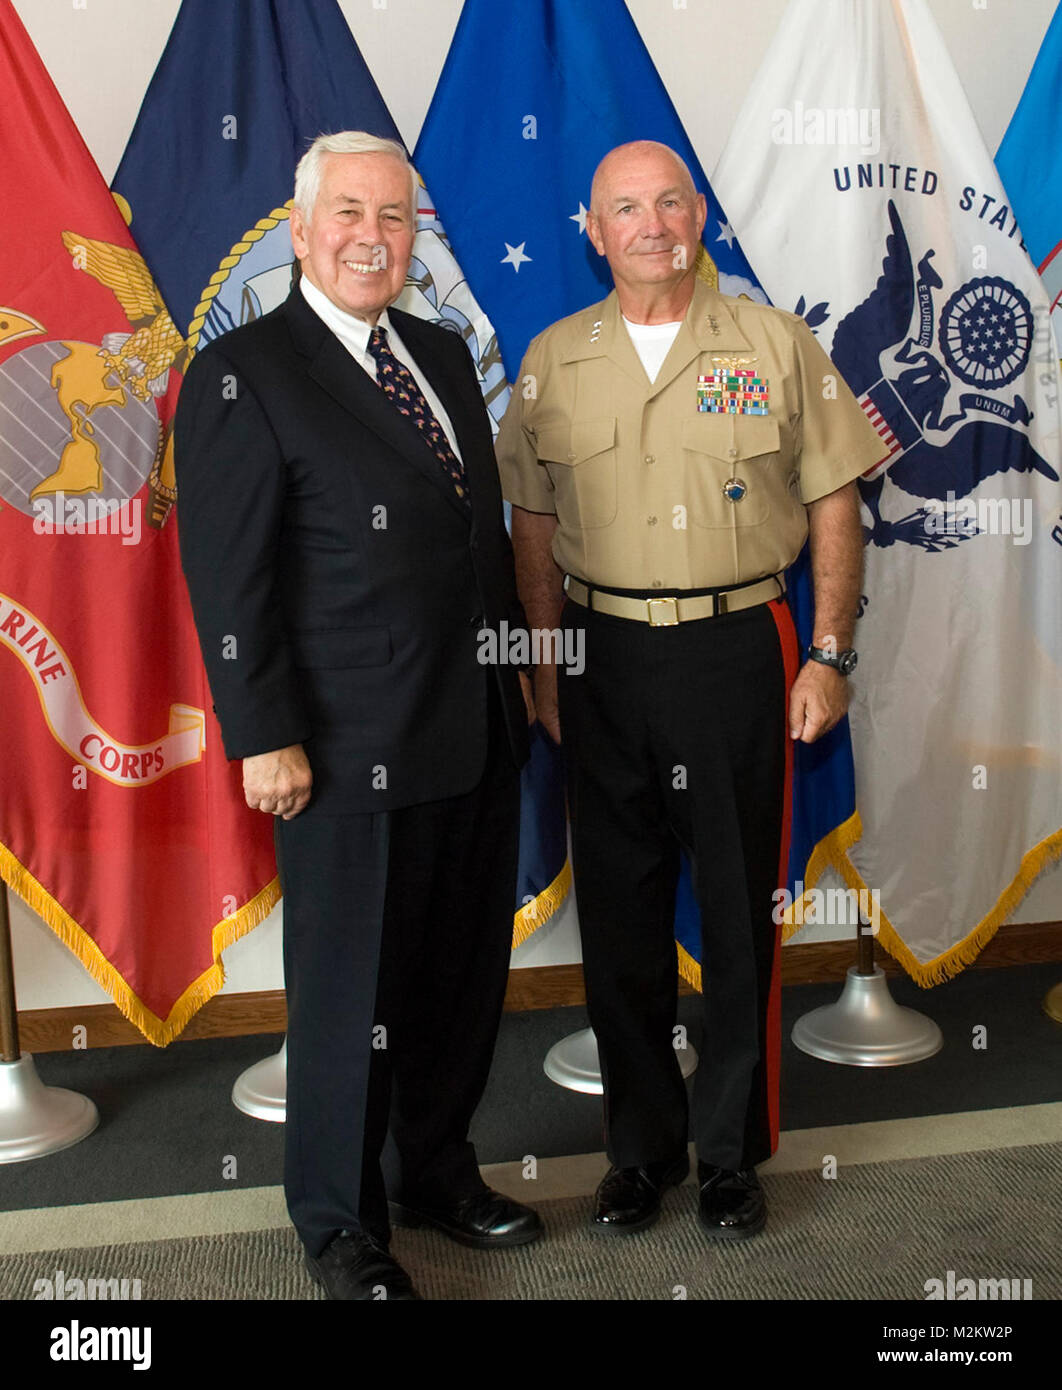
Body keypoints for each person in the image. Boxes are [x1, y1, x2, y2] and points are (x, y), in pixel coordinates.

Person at [175, 131, 541, 1300]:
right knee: (351, 994)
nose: (372, 237)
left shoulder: (437, 351)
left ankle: (437, 1169)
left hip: (477, 724)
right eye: (349, 213)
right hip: (339, 747)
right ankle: (339, 1219)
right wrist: (261, 732)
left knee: (457, 975)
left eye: (395, 218)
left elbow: (477, 550)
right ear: (300, 229)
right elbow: (229, 579)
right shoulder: (245, 374)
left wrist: (521, 674)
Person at [497, 140, 884, 1241]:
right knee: (617, 916)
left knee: (736, 913)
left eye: (670, 200)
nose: (651, 222)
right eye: (626, 206)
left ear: (699, 212)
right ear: (594, 229)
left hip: (737, 648)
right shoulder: (553, 357)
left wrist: (831, 649)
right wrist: (542, 658)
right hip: (601, 653)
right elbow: (530, 521)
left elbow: (834, 500)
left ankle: (729, 1152)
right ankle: (638, 1154)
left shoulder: (773, 341)